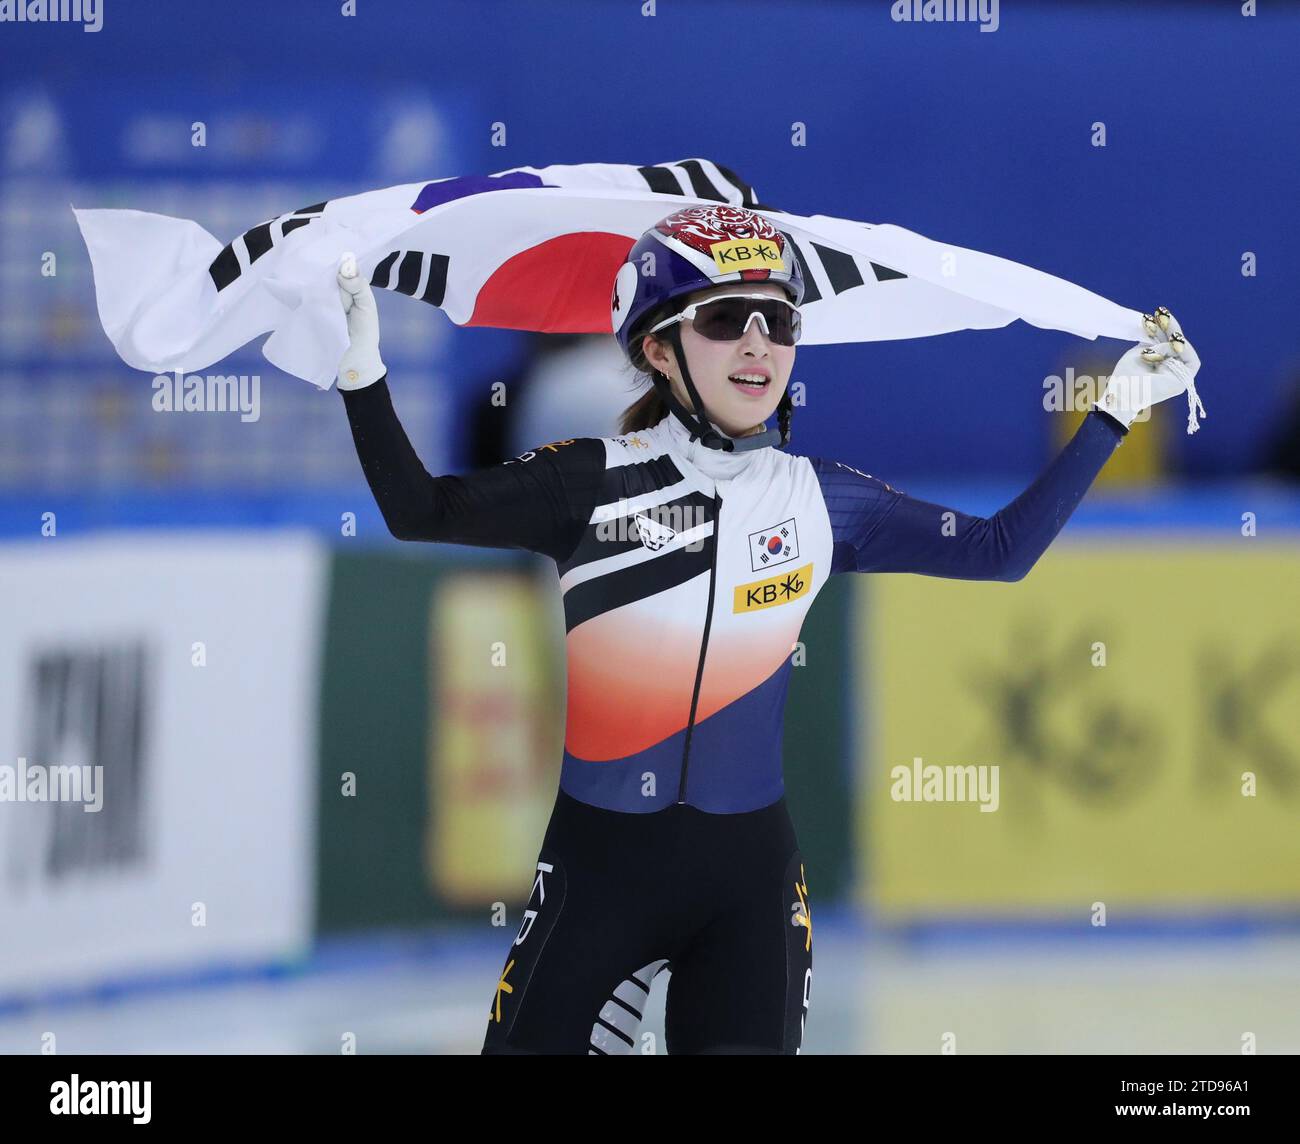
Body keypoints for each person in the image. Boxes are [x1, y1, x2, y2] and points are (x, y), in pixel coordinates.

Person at [333, 207, 1201, 1055]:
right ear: (657, 347)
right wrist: (363, 373)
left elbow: (999, 552)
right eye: (723, 319)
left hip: (747, 886)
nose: (758, 344)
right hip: (599, 878)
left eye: (778, 322)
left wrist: (1115, 409)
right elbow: (420, 511)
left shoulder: (821, 500)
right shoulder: (589, 483)